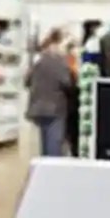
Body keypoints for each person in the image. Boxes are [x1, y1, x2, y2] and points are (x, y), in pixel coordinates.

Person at [26, 29, 75, 157]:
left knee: (45, 144)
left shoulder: (40, 58)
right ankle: (53, 174)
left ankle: (44, 171)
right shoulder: (59, 60)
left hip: (38, 107)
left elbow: (27, 80)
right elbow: (67, 83)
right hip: (55, 108)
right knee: (54, 147)